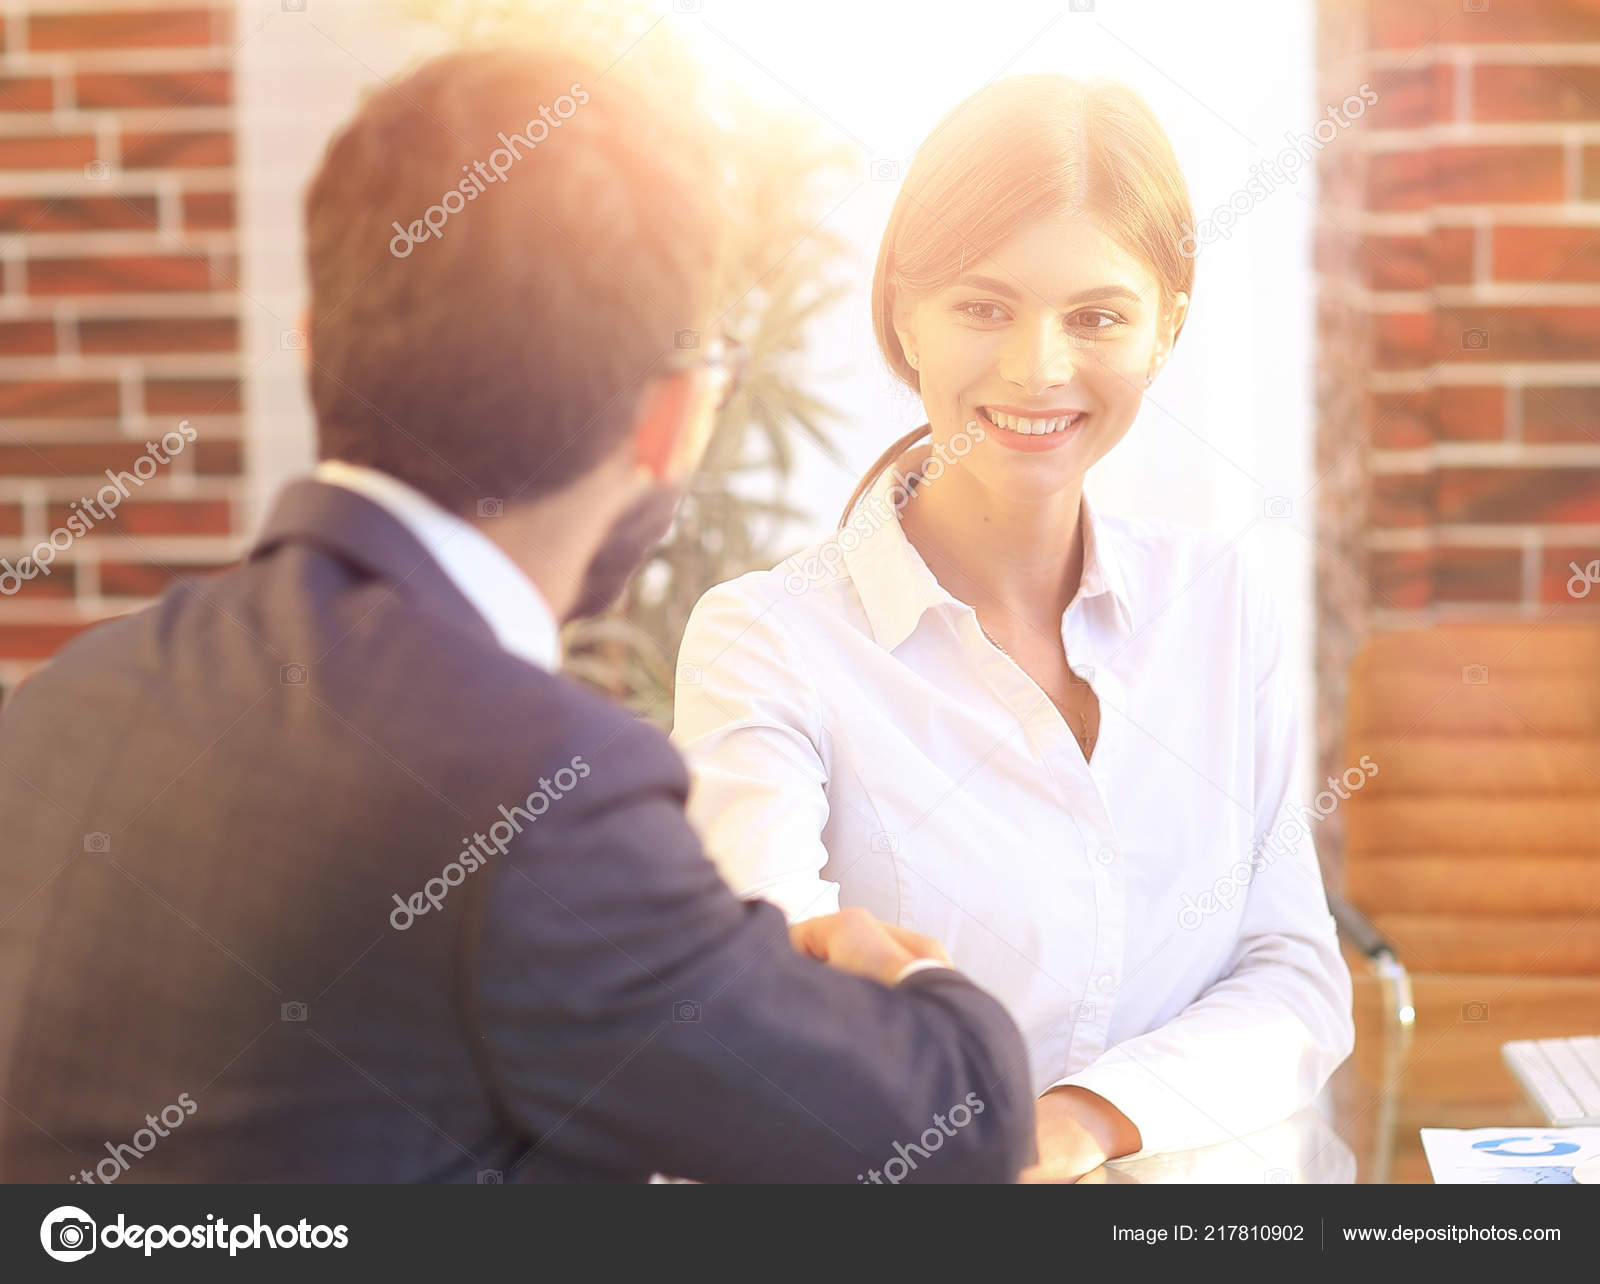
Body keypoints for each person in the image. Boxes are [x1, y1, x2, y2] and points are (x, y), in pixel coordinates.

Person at [0, 50, 1036, 1184]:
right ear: (671, 420)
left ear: (311, 346)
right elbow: (957, 1126)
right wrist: (903, 982)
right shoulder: (537, 794)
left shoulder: (62, 706)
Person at [672, 75, 1354, 1182]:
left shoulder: (1221, 605)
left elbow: (1293, 975)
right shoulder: (768, 643)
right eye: (984, 307)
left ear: (1165, 326)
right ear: (904, 312)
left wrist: (1078, 1120)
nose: (1039, 368)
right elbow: (761, 976)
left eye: (1097, 316)